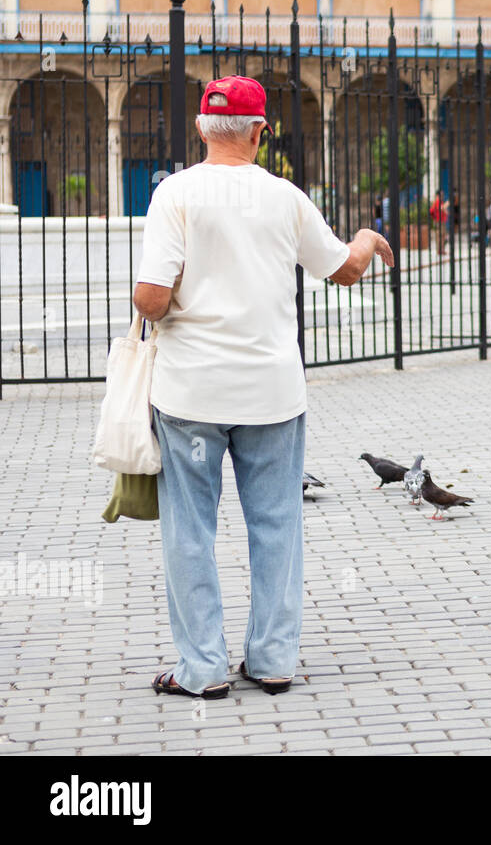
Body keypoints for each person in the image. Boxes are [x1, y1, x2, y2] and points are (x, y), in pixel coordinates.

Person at [132, 75, 393, 700]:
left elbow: (150, 297)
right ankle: (272, 661)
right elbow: (344, 269)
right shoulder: (286, 198)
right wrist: (364, 238)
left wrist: (179, 306)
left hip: (190, 396)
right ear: (260, 131)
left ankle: (202, 672)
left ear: (201, 128)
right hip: (272, 396)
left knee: (190, 530)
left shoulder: (175, 194)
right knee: (277, 526)